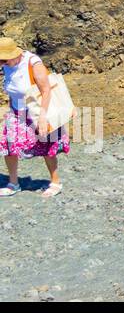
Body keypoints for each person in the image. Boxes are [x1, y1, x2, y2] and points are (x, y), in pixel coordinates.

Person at [0, 37, 69, 198]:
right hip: (17, 111)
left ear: (13, 54)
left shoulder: (32, 63)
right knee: (9, 146)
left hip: (38, 112)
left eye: (3, 59)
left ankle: (55, 182)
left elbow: (46, 90)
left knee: (47, 145)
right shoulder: (7, 64)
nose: (1, 63)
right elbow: (12, 89)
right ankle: (13, 183)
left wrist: (43, 118)